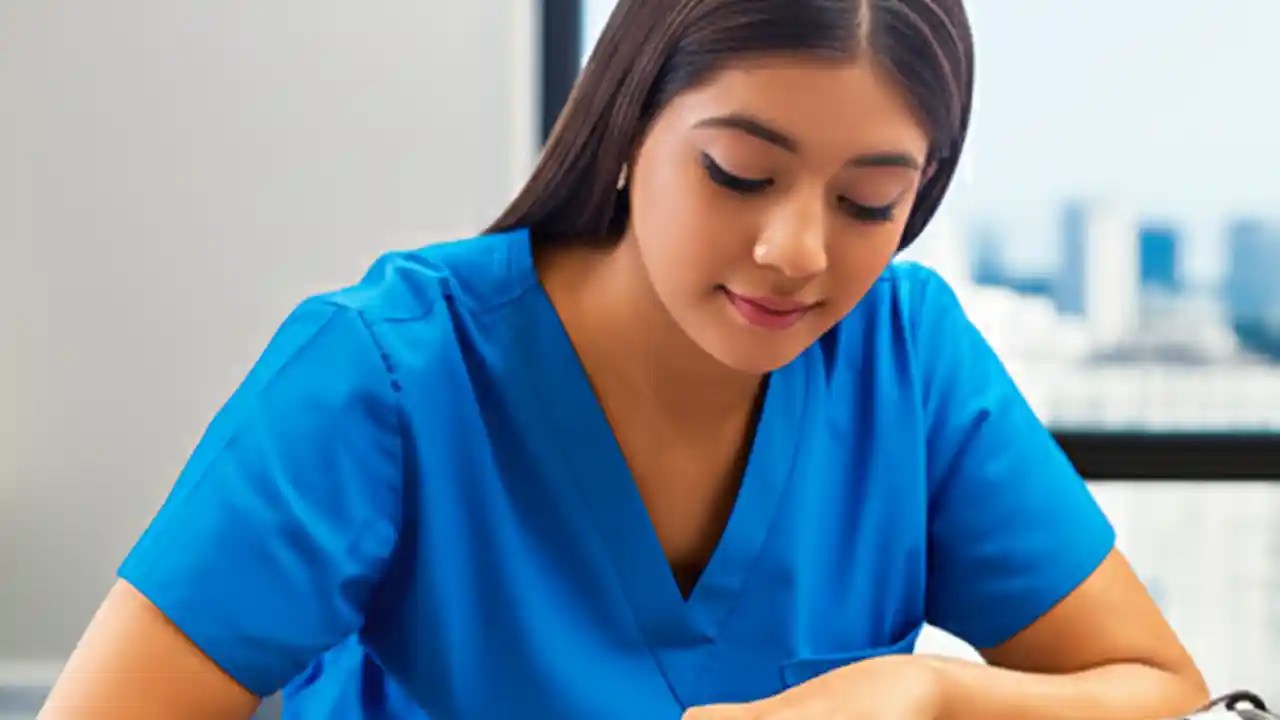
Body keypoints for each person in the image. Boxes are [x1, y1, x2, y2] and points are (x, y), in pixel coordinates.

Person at [41, 0, 1211, 718]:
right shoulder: (385, 376)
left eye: (868, 202)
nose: (795, 251)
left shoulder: (905, 359)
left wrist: (926, 692)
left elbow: (1162, 693)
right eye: (738, 174)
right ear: (622, 131)